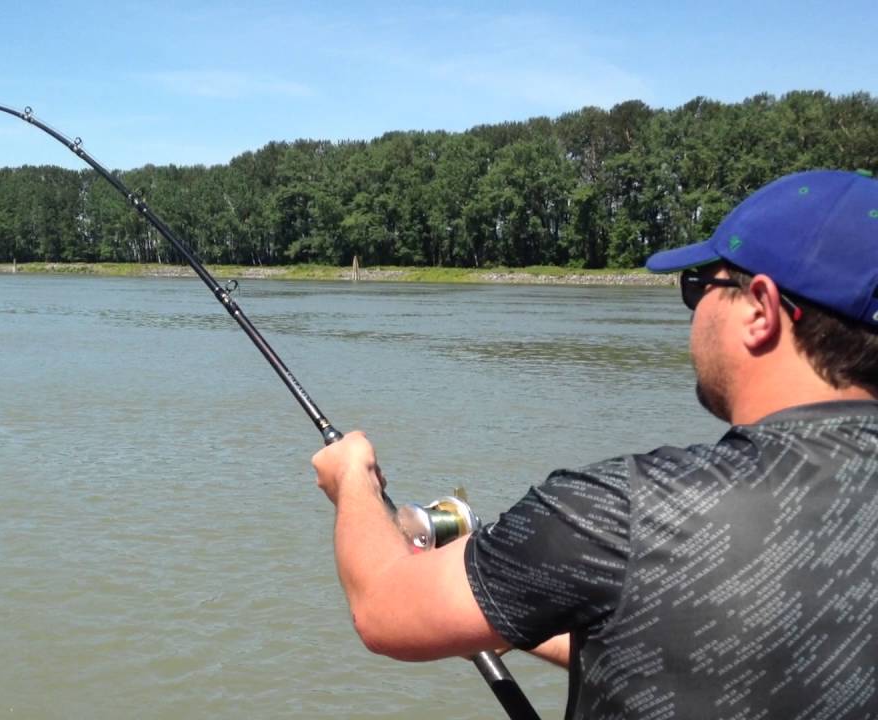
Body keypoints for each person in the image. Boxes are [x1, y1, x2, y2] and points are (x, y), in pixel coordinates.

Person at [312, 169, 878, 719]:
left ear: (761, 309)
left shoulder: (624, 512)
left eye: (700, 286)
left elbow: (383, 608)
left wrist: (353, 478)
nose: (695, 311)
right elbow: (708, 648)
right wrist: (512, 599)